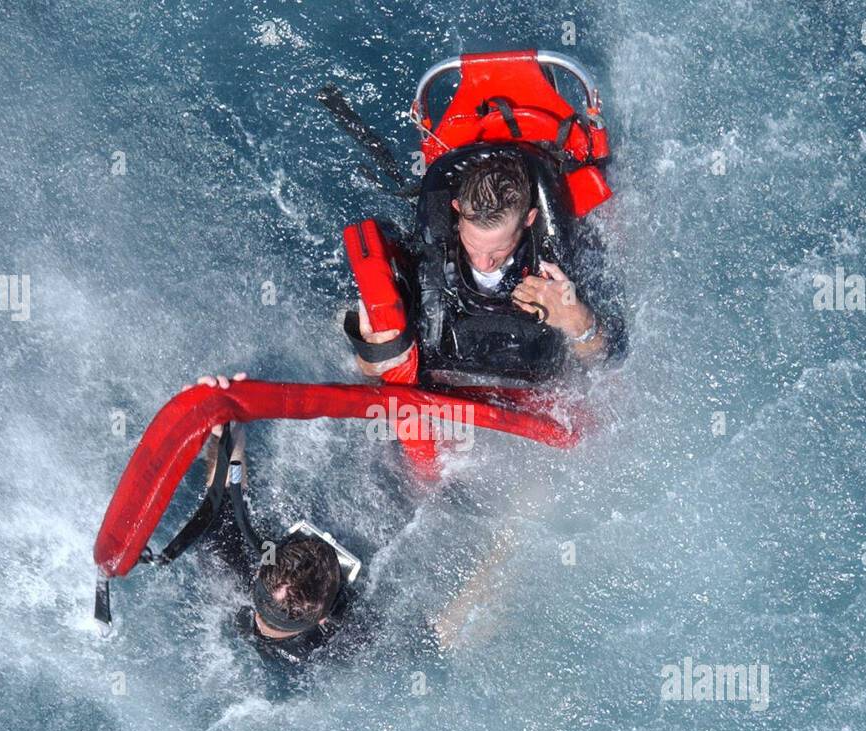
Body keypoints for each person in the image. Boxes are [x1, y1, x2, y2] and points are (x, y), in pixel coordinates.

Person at [352, 149, 626, 384]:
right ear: (457, 210)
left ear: (528, 220)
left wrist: (577, 320)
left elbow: (612, 362)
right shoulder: (417, 256)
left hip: (534, 398)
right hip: (442, 395)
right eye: (473, 245)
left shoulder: (569, 261)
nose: (483, 262)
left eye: (498, 249)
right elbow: (365, 372)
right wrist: (374, 356)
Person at [184, 374, 369, 668]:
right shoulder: (347, 637)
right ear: (324, 618)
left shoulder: (222, 567)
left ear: (258, 571)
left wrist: (225, 429)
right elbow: (437, 636)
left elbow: (223, 494)